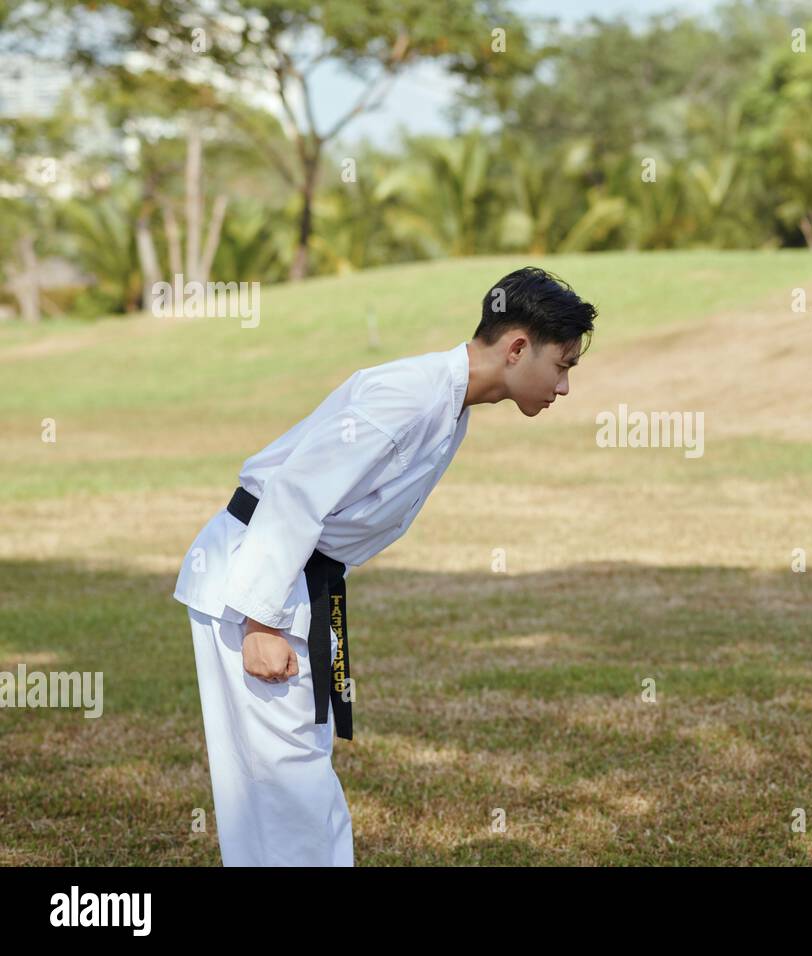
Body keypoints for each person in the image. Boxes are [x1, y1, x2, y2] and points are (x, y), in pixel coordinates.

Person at [172, 266, 596, 866]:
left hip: (289, 579)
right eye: (564, 365)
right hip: (255, 579)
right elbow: (296, 491)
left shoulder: (447, 404)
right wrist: (261, 623)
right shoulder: (410, 396)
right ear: (518, 347)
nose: (565, 386)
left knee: (279, 785)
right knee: (289, 786)